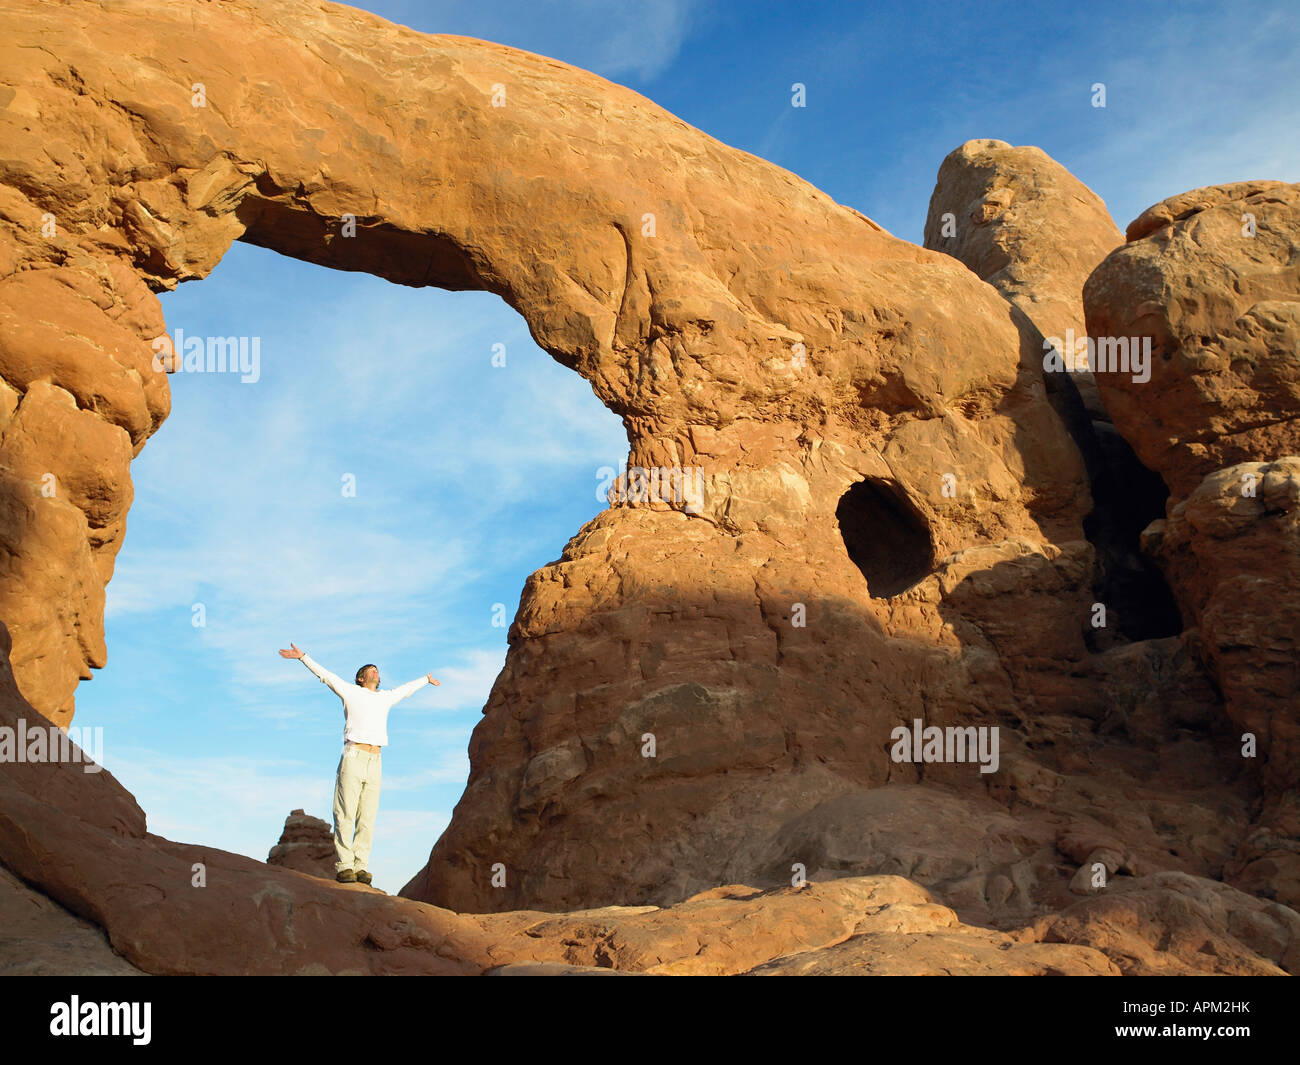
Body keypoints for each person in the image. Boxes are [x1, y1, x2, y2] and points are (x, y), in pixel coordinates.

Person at [277, 642, 439, 885]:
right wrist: (303, 657)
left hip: (376, 759)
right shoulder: (350, 691)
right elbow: (326, 676)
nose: (376, 671)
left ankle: (361, 867)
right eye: (370, 670)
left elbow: (405, 690)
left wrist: (425, 680)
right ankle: (345, 866)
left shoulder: (385, 698)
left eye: (377, 669)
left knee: (367, 817)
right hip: (353, 755)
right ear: (361, 679)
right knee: (345, 813)